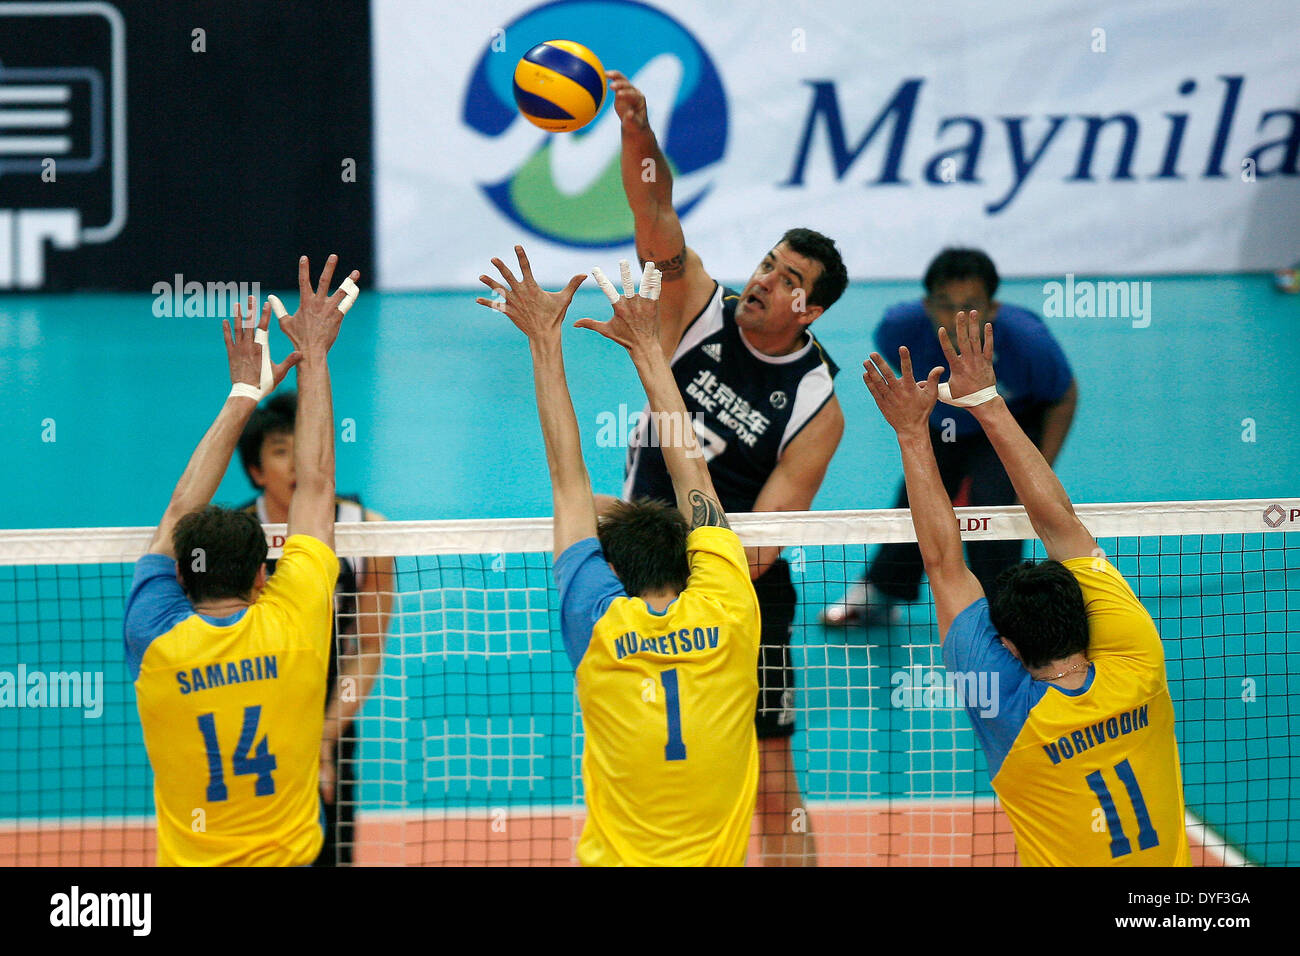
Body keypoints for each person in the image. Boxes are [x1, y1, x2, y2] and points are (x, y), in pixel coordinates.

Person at [606, 69, 849, 865]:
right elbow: (654, 211)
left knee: (772, 778)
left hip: (736, 591)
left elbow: (761, 547)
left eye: (788, 280)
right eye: (769, 263)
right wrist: (636, 131)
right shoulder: (695, 307)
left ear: (808, 311)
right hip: (640, 567)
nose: (765, 281)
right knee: (643, 764)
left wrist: (620, 521)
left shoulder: (817, 406)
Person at [861, 310, 1189, 866]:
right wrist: (989, 400)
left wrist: (914, 433)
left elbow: (942, 563)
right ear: (1085, 622)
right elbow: (1061, 523)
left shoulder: (1008, 711)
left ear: (1008, 647)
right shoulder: (1138, 659)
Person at [477, 246, 760, 866]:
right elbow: (693, 474)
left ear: (614, 577)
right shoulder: (732, 606)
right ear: (690, 563)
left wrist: (545, 340)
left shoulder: (597, 621)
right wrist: (650, 350)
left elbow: (569, 483)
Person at [123, 257, 357, 866]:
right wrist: (315, 356)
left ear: (179, 575)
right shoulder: (296, 621)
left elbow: (179, 512)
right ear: (263, 575)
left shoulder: (155, 638)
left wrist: (242, 396)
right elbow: (317, 485)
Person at [823, 248, 1077, 626]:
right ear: (927, 305)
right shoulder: (898, 328)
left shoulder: (1028, 341)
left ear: (992, 307)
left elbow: (1063, 397)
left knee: (994, 505)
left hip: (1008, 420)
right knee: (916, 497)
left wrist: (1039, 469)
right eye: (945, 305)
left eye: (971, 306)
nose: (958, 318)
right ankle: (883, 589)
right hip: (945, 421)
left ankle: (1004, 608)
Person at [236, 391, 393, 867]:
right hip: (247, 709)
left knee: (330, 854)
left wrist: (324, 734)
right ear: (257, 469)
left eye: (306, 446)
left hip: (331, 704)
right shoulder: (235, 539)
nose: (297, 463)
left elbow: (368, 645)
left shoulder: (368, 531)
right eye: (282, 450)